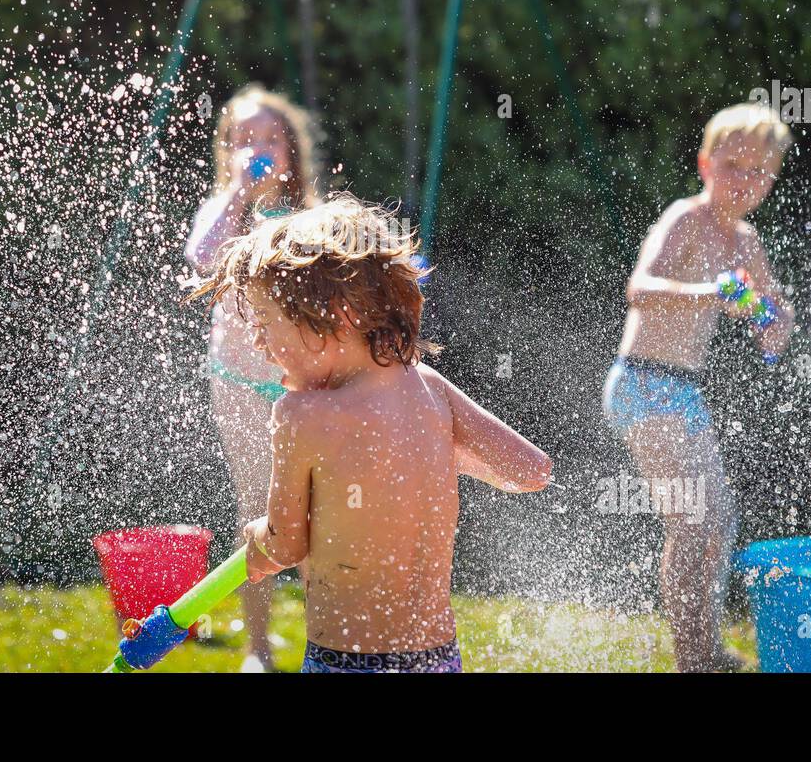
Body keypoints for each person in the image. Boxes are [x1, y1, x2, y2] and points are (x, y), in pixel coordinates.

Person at [188, 193, 552, 673]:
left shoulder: (302, 414)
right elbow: (530, 469)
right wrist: (418, 453)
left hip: (346, 662)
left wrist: (256, 537)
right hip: (437, 659)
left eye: (264, 322)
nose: (256, 341)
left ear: (333, 318)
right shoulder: (429, 387)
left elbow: (285, 545)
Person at [603, 102, 795, 671]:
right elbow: (639, 288)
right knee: (692, 519)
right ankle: (697, 658)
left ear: (772, 180)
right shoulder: (685, 218)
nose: (745, 181)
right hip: (641, 383)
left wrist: (774, 325)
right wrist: (711, 292)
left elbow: (775, 313)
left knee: (719, 524)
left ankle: (702, 649)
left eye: (758, 172)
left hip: (682, 392)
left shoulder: (747, 244)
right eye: (732, 166)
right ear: (705, 164)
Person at [184, 84, 321, 672]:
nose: (259, 150)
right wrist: (239, 192)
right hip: (240, 388)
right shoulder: (223, 214)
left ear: (291, 152)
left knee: (322, 518)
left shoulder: (310, 219)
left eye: (271, 139)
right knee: (258, 516)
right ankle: (258, 650)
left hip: (304, 388)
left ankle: (327, 646)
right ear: (228, 152)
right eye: (245, 140)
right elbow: (202, 257)